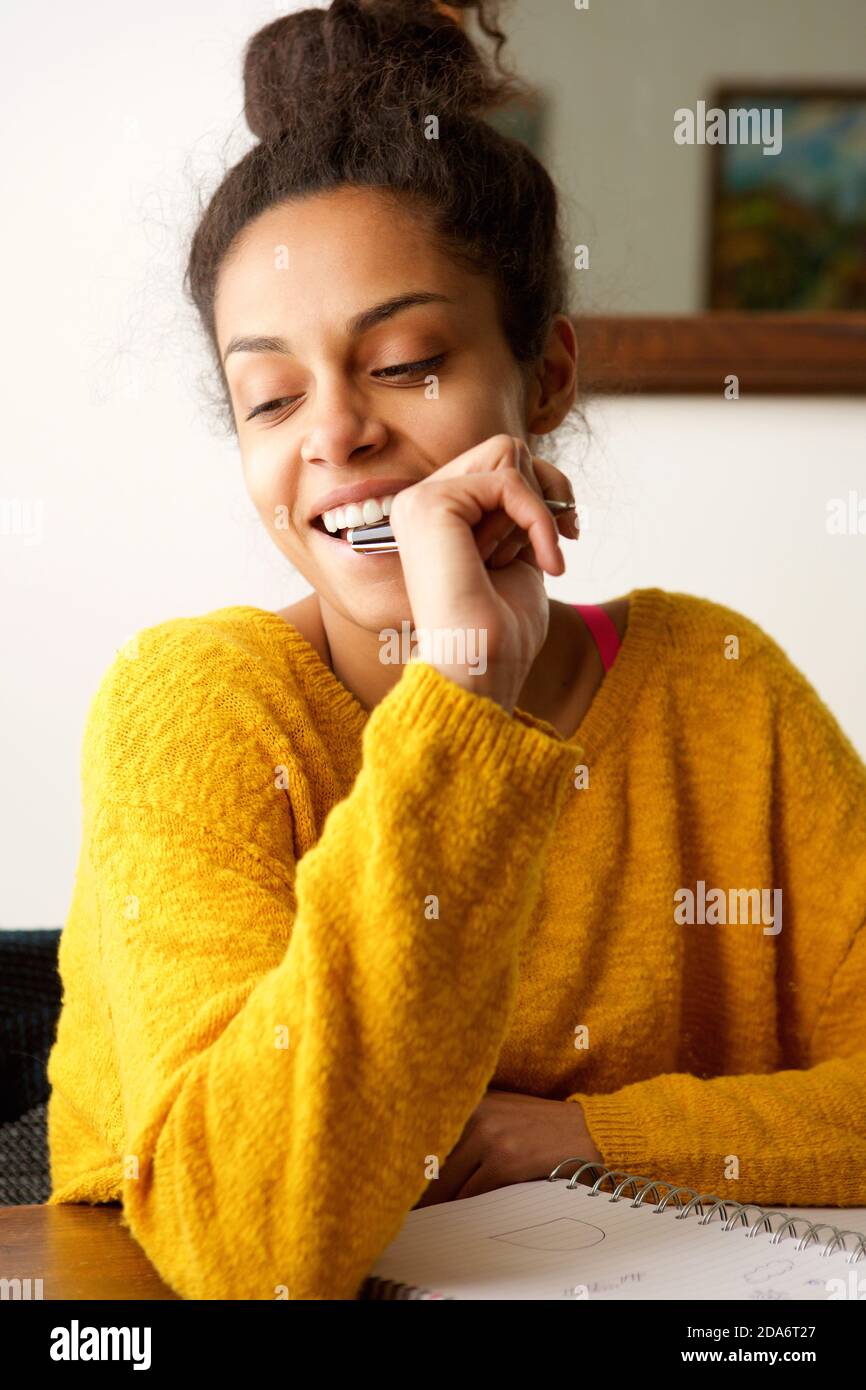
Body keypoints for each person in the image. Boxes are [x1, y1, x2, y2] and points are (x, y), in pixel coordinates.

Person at [46, 0, 866, 1301]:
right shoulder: (190, 702)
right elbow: (255, 1233)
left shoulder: (724, 687)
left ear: (542, 380)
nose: (334, 434)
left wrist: (592, 1131)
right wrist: (458, 692)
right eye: (268, 396)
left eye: (407, 361)